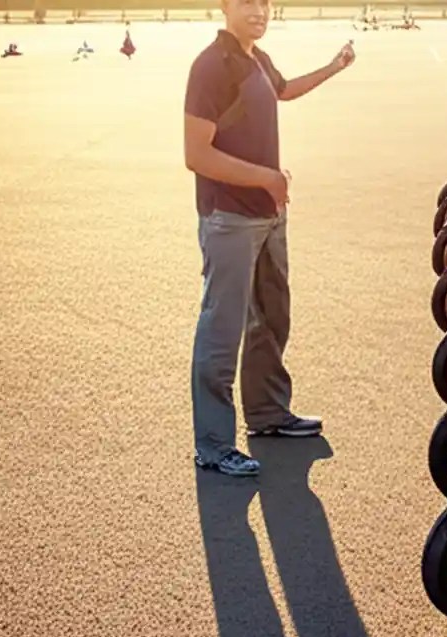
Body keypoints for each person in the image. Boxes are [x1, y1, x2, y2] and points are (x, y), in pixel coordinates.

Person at [183, 0, 355, 476]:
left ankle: (267, 414)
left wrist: (333, 67)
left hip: (267, 213)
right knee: (222, 329)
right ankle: (214, 445)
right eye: (247, 2)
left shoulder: (255, 57)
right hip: (230, 218)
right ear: (224, 6)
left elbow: (283, 90)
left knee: (271, 316)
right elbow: (196, 154)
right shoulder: (210, 67)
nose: (259, 10)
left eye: (265, 2)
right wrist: (265, 178)